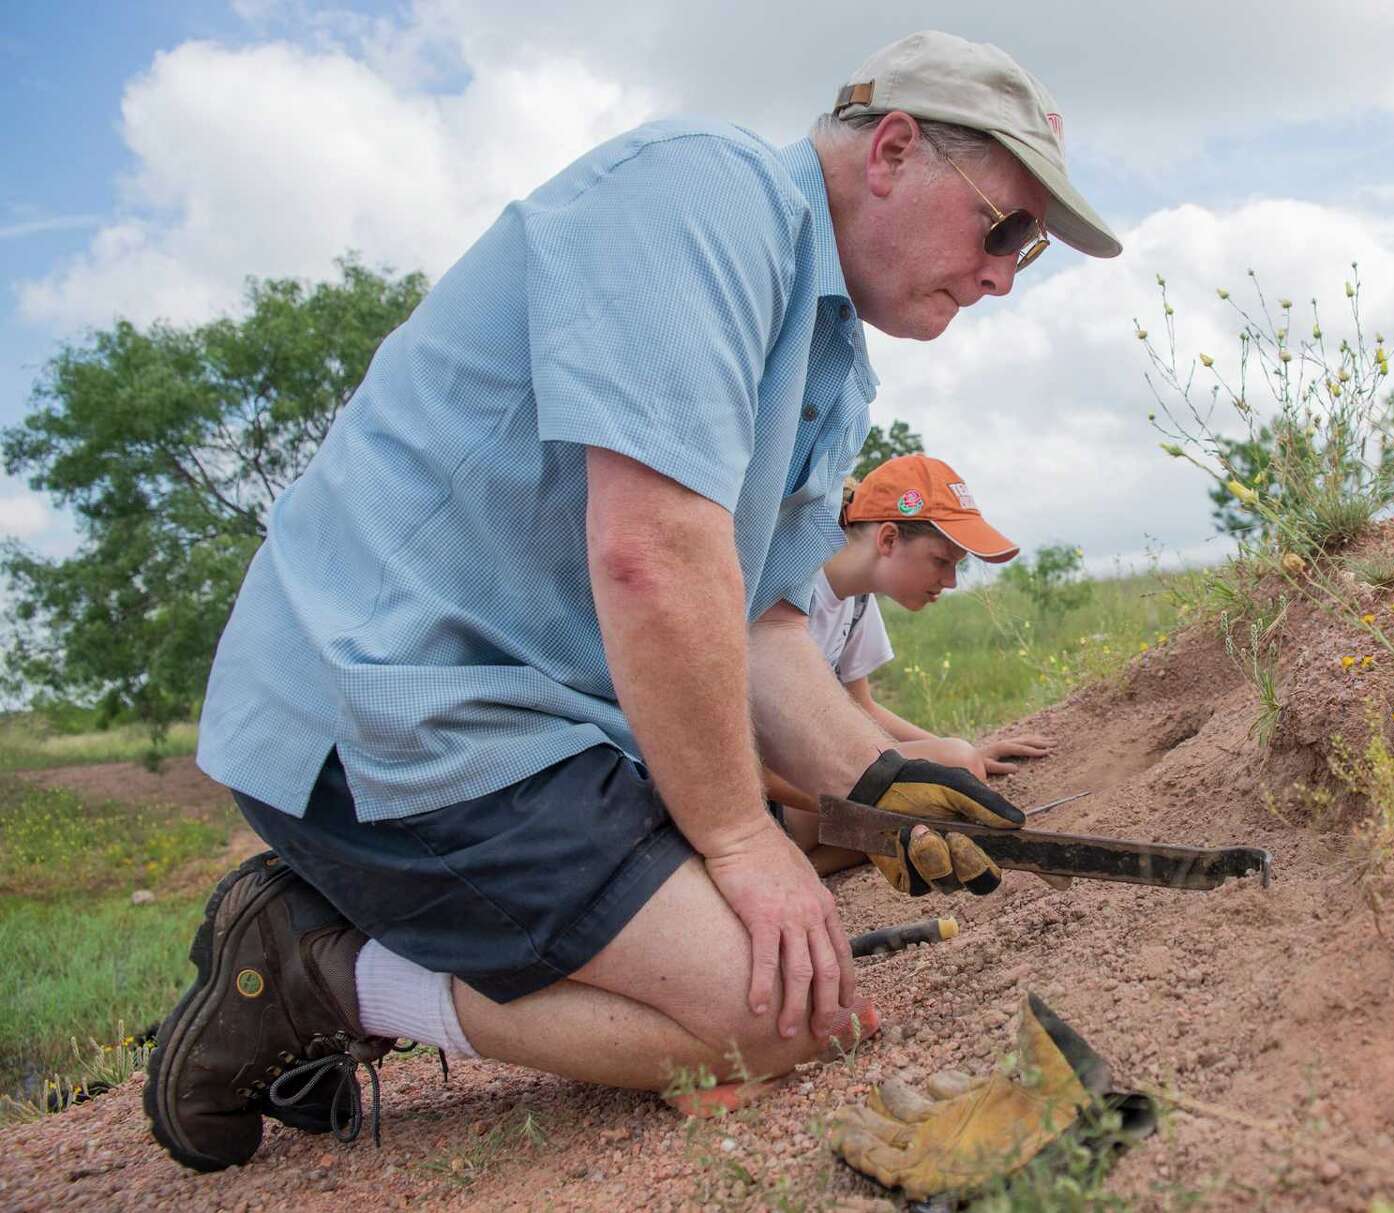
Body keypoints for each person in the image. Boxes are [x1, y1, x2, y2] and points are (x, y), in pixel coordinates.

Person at [144, 29, 1120, 1173]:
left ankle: (379, 935)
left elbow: (756, 621)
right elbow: (652, 553)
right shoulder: (703, 194)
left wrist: (870, 776)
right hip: (385, 702)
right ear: (895, 150)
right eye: (1001, 226)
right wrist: (744, 841)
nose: (1005, 271)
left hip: (531, 727)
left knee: (782, 956)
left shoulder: (834, 358)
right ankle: (320, 962)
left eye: (1031, 250)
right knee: (769, 1016)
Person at [768, 454, 1057, 873]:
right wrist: (931, 771)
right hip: (769, 794)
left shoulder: (856, 603)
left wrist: (956, 762)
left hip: (805, 792)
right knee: (952, 772)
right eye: (942, 560)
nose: (951, 581)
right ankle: (788, 861)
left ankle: (804, 868)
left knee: (954, 778)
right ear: (887, 539)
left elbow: (862, 708)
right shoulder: (786, 592)